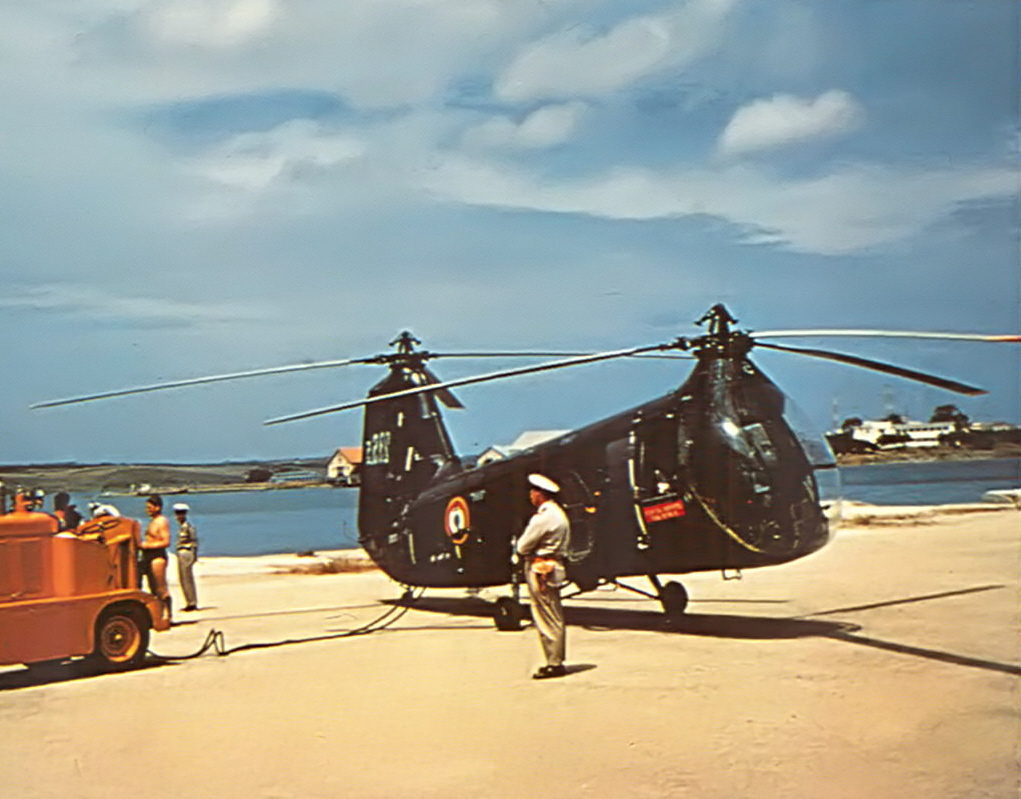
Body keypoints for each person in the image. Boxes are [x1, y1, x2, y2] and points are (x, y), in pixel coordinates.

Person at [516, 473, 571, 680]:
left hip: (541, 569)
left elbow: (523, 546)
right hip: (554, 565)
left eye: (533, 491)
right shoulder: (559, 514)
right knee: (554, 614)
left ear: (540, 494)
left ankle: (554, 663)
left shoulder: (543, 518)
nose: (531, 495)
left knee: (546, 616)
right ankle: (555, 660)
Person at [140, 494, 172, 622]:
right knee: (152, 588)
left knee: (161, 588)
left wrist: (147, 545)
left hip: (158, 556)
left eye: (149, 507)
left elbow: (166, 541)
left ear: (157, 507)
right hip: (148, 555)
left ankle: (168, 614)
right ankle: (157, 614)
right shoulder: (152, 521)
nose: (147, 510)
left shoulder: (161, 521)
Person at [172, 502, 199, 612]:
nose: (178, 516)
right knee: (183, 578)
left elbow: (194, 542)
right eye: (177, 514)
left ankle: (192, 602)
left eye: (180, 513)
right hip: (181, 552)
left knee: (187, 578)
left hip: (186, 552)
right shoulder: (182, 527)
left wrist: (194, 556)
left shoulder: (188, 527)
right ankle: (188, 601)